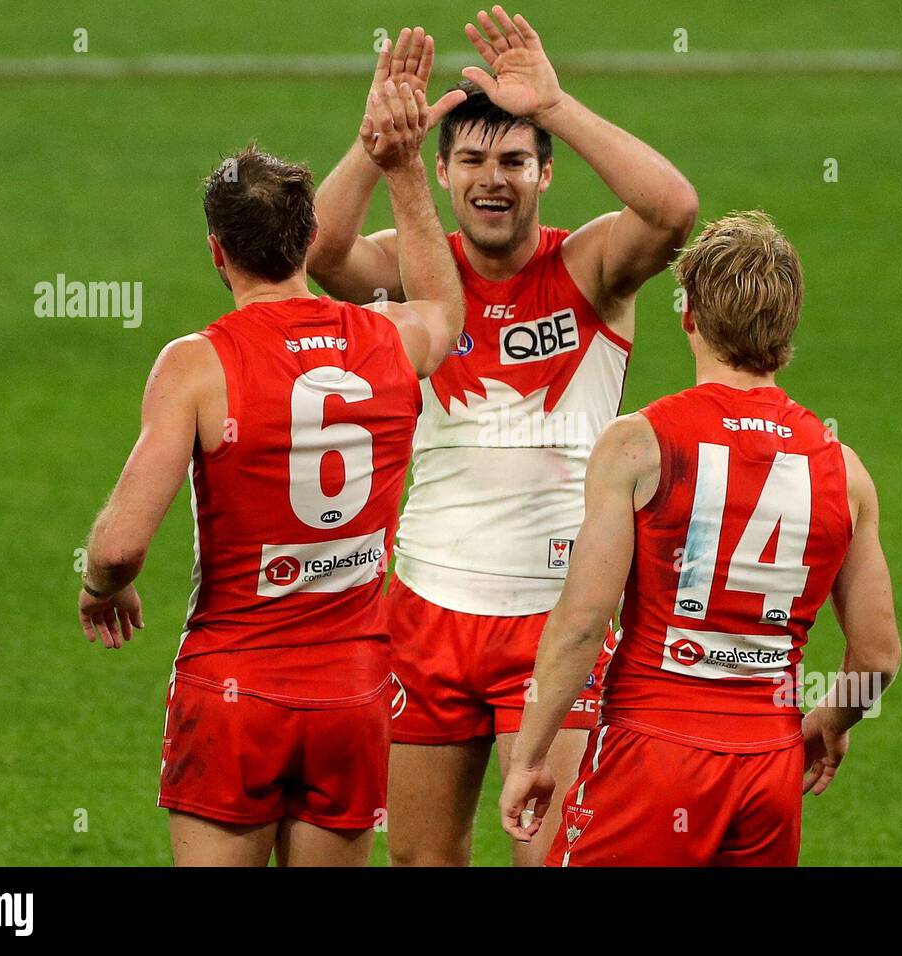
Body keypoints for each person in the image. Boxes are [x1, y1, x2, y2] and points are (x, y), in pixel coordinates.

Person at [306, 9, 699, 868]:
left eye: (515, 161)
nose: (495, 180)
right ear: (443, 171)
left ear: (544, 173)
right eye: (474, 161)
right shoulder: (415, 269)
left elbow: (673, 209)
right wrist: (376, 145)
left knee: (555, 860)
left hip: (558, 615)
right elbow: (321, 253)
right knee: (420, 859)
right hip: (427, 606)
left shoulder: (589, 267)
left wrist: (554, 106)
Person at [76, 78, 463, 866]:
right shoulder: (390, 340)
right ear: (311, 236)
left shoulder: (197, 365)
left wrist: (101, 586)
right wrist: (403, 168)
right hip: (353, 692)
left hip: (234, 692)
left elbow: (118, 548)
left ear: (217, 252)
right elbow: (443, 310)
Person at [499, 210, 902, 866]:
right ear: (788, 326)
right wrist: (829, 722)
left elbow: (582, 624)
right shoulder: (845, 471)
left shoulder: (639, 444)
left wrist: (529, 756)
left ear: (689, 316)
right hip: (769, 769)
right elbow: (878, 657)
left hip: (652, 753)